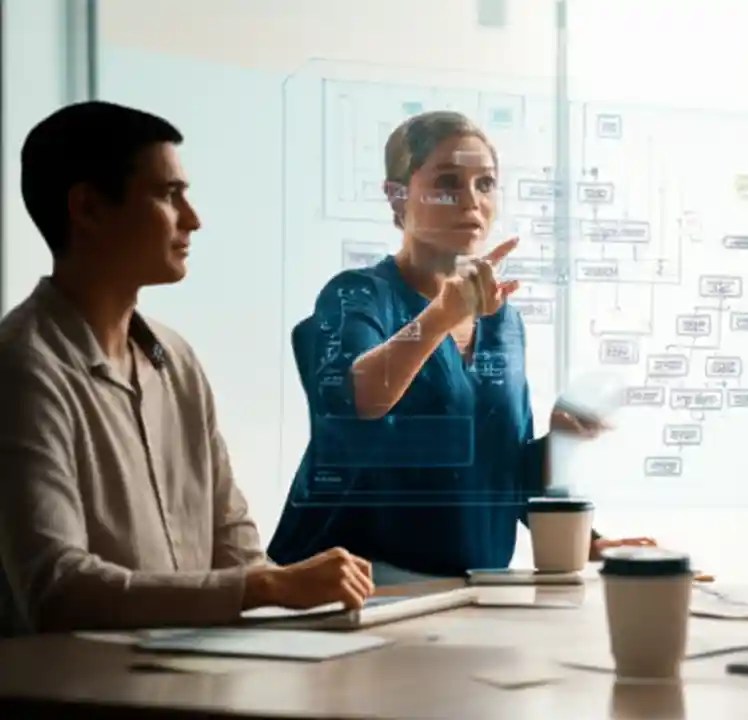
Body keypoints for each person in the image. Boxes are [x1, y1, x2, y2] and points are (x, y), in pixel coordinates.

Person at [0, 101, 374, 635]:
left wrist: (295, 597)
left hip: (194, 679)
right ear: (87, 209)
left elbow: (235, 547)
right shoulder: (23, 368)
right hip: (83, 694)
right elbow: (57, 587)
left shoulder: (174, 360)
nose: (192, 219)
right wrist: (264, 587)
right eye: (168, 195)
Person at [268, 111, 651, 580]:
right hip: (351, 586)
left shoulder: (502, 322)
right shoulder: (357, 296)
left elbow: (500, 467)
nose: (471, 200)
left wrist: (564, 463)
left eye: (485, 184)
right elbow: (355, 401)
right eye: (447, 182)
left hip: (471, 588)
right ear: (397, 196)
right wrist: (439, 317)